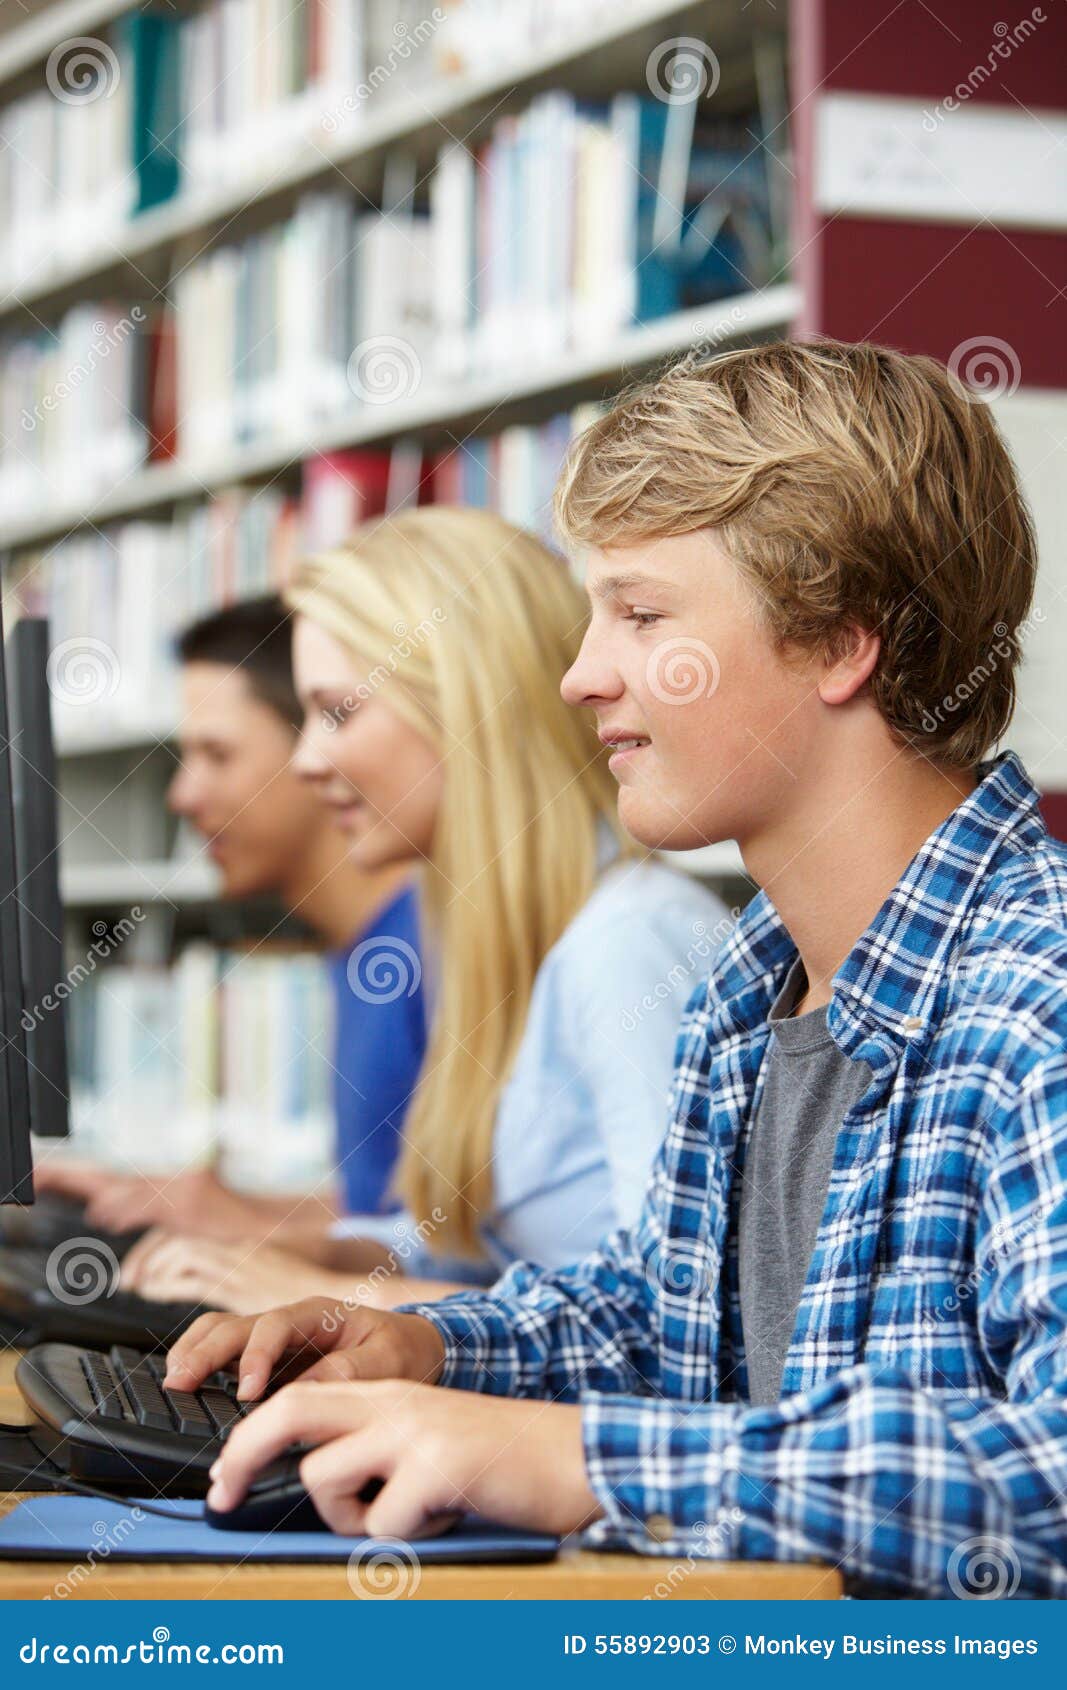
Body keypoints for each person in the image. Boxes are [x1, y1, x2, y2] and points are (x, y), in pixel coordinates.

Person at [167, 342, 1067, 1598]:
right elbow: (666, 1322)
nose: (581, 674)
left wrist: (582, 1458)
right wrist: (427, 1344)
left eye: (641, 616)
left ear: (839, 643)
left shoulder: (1036, 992)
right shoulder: (750, 988)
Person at [120, 508, 731, 1312]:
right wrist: (318, 1254)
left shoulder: (629, 942)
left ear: (466, 703)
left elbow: (680, 1324)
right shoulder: (489, 936)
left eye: (337, 711)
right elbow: (485, 1248)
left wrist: (320, 1293)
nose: (305, 760)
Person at [35, 596, 424, 1245]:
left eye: (216, 754)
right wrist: (192, 1207)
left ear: (319, 742)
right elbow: (393, 1222)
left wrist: (247, 1232)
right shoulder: (363, 949)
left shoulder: (431, 952)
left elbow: (477, 1261)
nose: (181, 795)